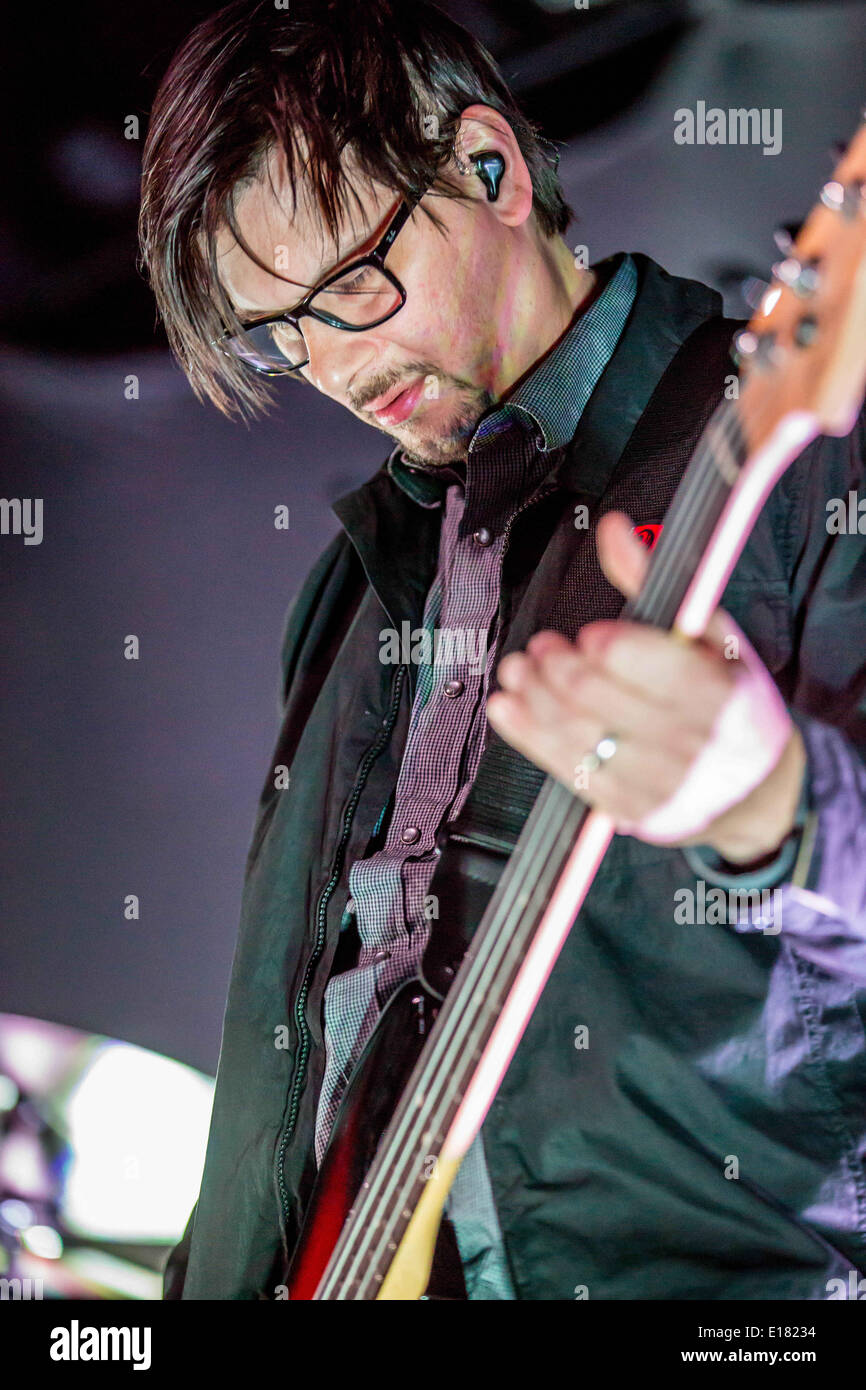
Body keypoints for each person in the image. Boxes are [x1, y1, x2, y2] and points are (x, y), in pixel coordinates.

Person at [138, 0, 866, 1300]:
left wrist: (778, 804)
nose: (336, 364)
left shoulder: (794, 456)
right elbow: (293, 1068)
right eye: (279, 336)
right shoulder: (350, 594)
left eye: (352, 283)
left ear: (490, 165)